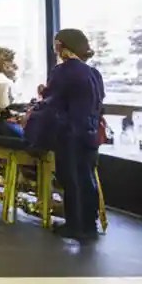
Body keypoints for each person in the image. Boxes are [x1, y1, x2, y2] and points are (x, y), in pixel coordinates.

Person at [41, 28, 105, 239]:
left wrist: (43, 92)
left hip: (69, 133)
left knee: (71, 179)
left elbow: (53, 101)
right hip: (91, 131)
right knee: (87, 178)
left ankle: (75, 225)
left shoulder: (62, 71)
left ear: (60, 46)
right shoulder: (93, 73)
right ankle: (89, 224)